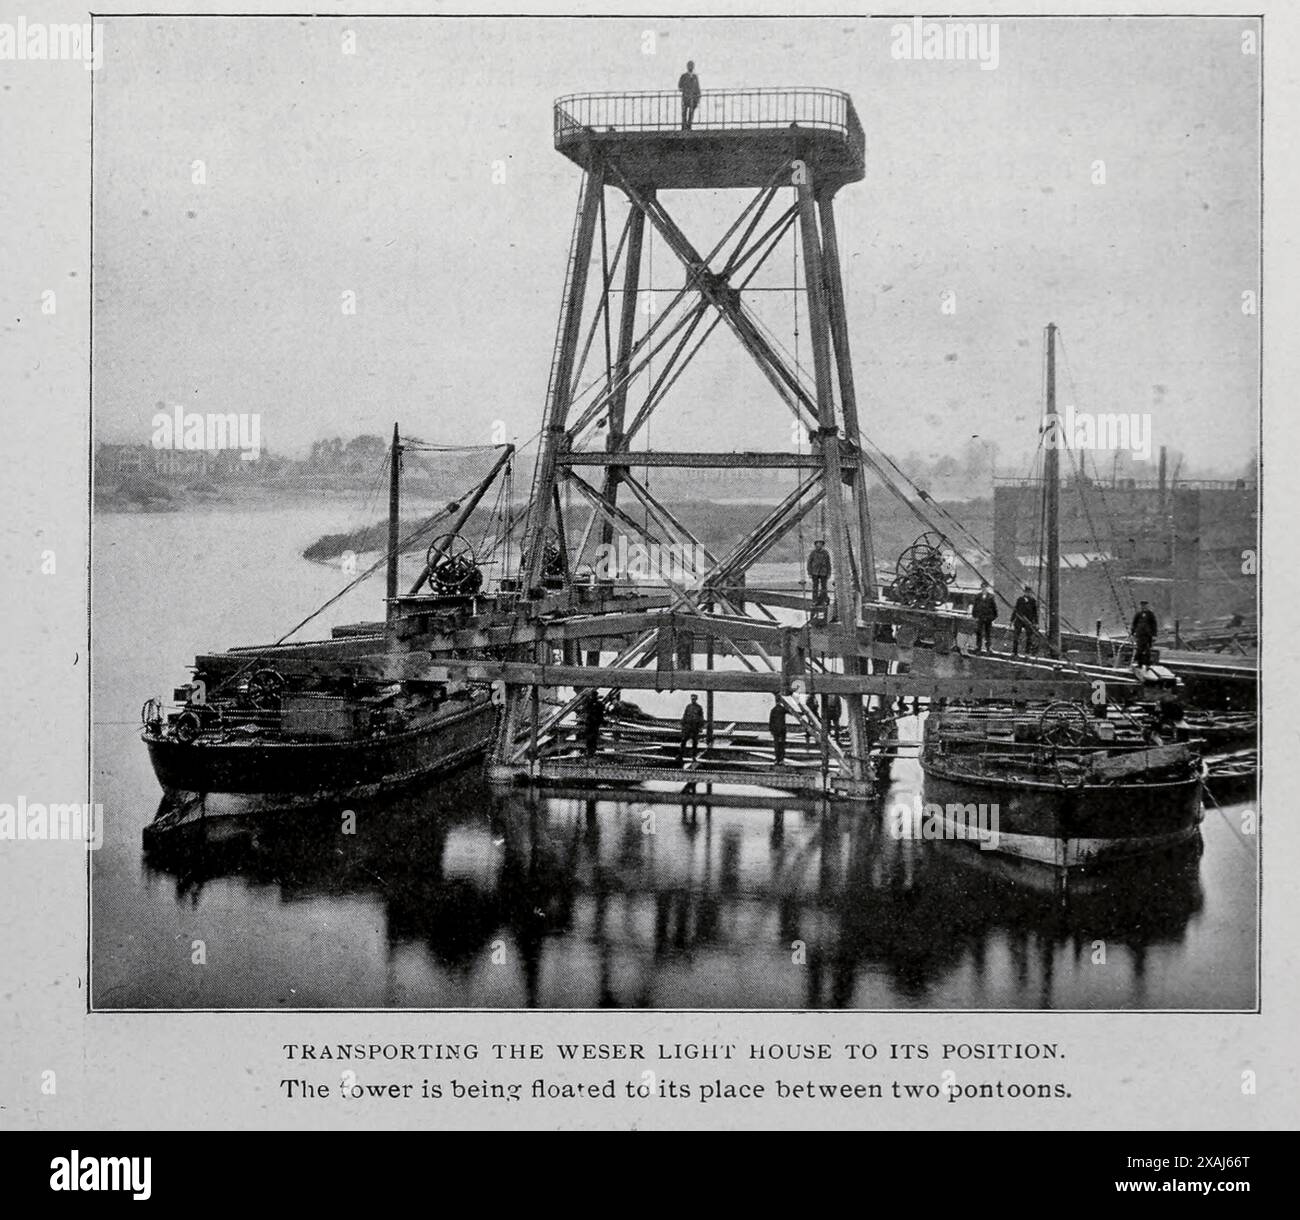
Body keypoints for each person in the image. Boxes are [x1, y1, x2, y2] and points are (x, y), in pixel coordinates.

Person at [971, 579, 997, 653]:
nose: (984, 588)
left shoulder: (991, 597)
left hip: (988, 618)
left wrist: (993, 617)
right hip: (980, 617)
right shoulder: (978, 596)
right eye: (982, 587)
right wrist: (974, 615)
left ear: (987, 588)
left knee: (988, 633)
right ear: (981, 588)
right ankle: (978, 647)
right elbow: (975, 606)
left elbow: (994, 608)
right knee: (979, 632)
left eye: (985, 587)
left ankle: (988, 648)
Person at [1011, 584, 1038, 657]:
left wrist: (1036, 622)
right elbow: (1015, 610)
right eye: (1026, 592)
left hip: (1028, 621)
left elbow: (1035, 613)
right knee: (1016, 636)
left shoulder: (1033, 601)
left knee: (1029, 637)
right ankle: (1014, 652)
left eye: (1029, 592)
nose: (1028, 594)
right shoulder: (1020, 600)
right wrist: (1012, 620)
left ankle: (1027, 652)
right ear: (1024, 592)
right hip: (1019, 620)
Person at [1131, 600, 1159, 667]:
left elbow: (1154, 624)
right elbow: (1134, 623)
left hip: (1148, 635)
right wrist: (1133, 632)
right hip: (1140, 634)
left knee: (1147, 649)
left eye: (1145, 605)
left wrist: (1154, 634)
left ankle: (1147, 663)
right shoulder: (1138, 614)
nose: (1144, 607)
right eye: (1142, 605)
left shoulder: (1150, 614)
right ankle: (1139, 663)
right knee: (1139, 649)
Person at [678, 693, 705, 762]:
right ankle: (680, 755)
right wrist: (682, 725)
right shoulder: (688, 707)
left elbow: (701, 718)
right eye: (692, 698)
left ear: (696, 699)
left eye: (694, 698)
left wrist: (700, 727)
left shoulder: (699, 708)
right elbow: (684, 716)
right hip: (687, 728)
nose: (693, 700)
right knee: (683, 741)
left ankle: (694, 756)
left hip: (695, 728)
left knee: (695, 743)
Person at [678, 61, 701, 130]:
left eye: (692, 65)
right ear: (687, 67)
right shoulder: (683, 76)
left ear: (693, 67)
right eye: (689, 65)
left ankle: (689, 126)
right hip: (685, 97)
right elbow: (680, 86)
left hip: (693, 98)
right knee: (684, 112)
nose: (690, 67)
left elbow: (697, 87)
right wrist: (686, 90)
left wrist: (698, 96)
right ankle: (684, 127)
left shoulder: (695, 76)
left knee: (691, 112)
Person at [807, 540, 831, 605]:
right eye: (817, 544)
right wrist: (809, 572)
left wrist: (829, 573)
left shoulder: (825, 553)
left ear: (822, 545)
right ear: (815, 545)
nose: (819, 545)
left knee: (824, 586)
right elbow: (809, 563)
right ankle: (815, 601)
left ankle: (824, 600)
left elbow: (828, 563)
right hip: (815, 572)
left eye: (820, 544)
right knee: (815, 586)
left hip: (823, 572)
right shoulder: (813, 553)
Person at [582, 691, 604, 757]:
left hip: (591, 724)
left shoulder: (590, 704)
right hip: (593, 724)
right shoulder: (598, 704)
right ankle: (591, 752)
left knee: (590, 739)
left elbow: (586, 711)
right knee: (592, 738)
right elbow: (601, 714)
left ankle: (590, 752)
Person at [768, 697, 788, 764]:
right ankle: (782, 760)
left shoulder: (773, 710)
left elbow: (770, 721)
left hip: (776, 730)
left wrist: (771, 730)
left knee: (776, 745)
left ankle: (777, 759)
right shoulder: (782, 709)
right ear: (781, 701)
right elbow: (791, 712)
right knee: (782, 745)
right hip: (782, 730)